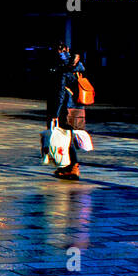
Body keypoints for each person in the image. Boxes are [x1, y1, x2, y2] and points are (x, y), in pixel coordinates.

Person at [53, 52, 89, 180]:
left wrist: (55, 114)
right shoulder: (80, 71)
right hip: (79, 109)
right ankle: (69, 167)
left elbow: (61, 95)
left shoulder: (65, 72)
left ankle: (73, 167)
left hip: (67, 110)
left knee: (66, 139)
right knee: (69, 137)